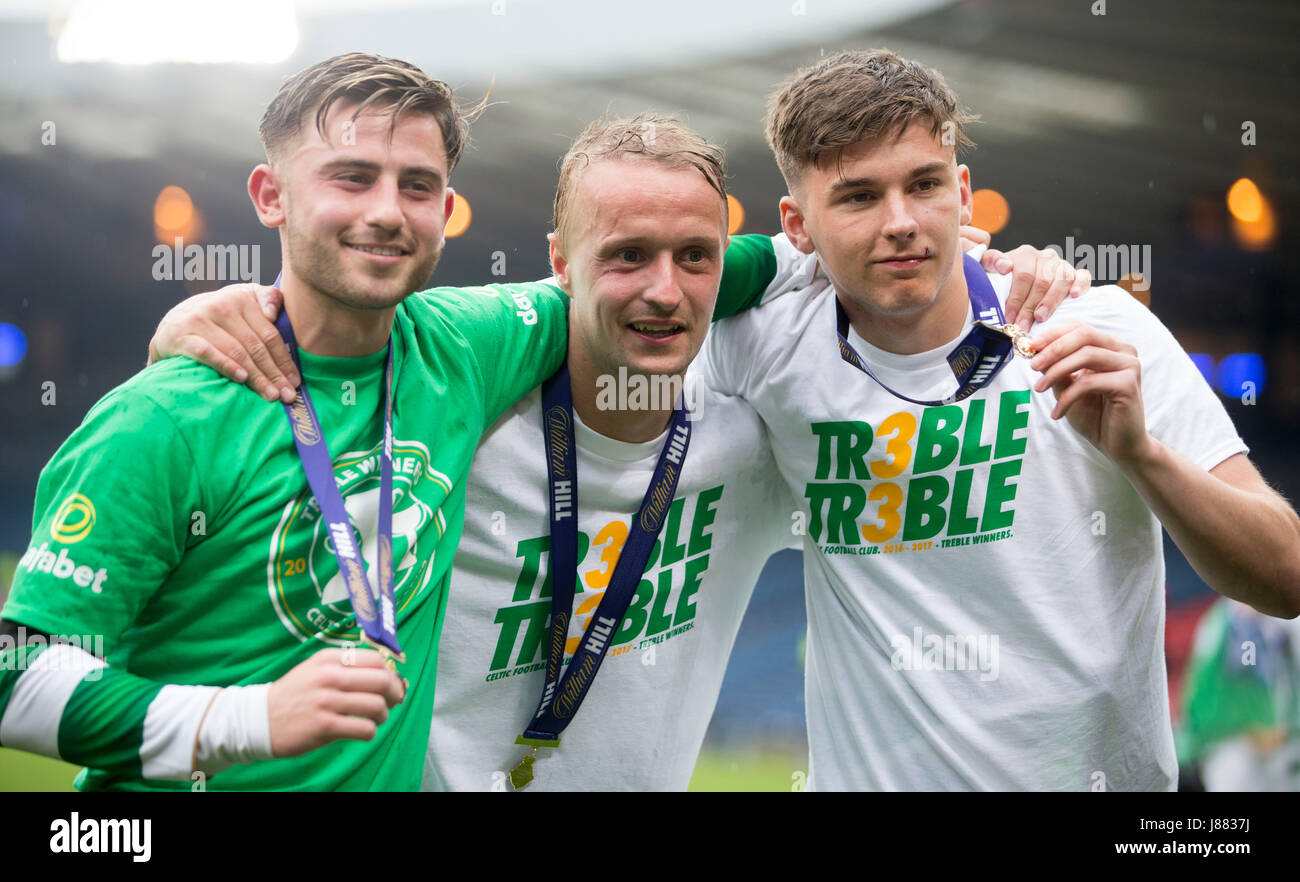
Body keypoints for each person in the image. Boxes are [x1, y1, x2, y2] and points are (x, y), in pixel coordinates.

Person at [147, 110, 1085, 789]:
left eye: (694, 258)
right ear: (560, 262)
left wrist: (1004, 267)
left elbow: (832, 248)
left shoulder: (753, 448)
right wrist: (200, 318)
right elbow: (325, 356)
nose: (665, 292)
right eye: (626, 256)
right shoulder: (456, 422)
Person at [697, 48, 1300, 790]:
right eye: (857, 198)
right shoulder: (765, 346)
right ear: (798, 224)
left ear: (964, 193)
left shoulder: (1098, 327)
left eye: (924, 186)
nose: (901, 223)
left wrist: (1143, 455)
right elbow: (625, 296)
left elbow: (1287, 576)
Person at [0, 52, 575, 790]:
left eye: (418, 186)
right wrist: (245, 720)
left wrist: (777, 247)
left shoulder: (464, 347)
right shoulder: (166, 416)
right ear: (271, 196)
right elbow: (13, 677)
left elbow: (653, 280)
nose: (388, 212)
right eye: (352, 177)